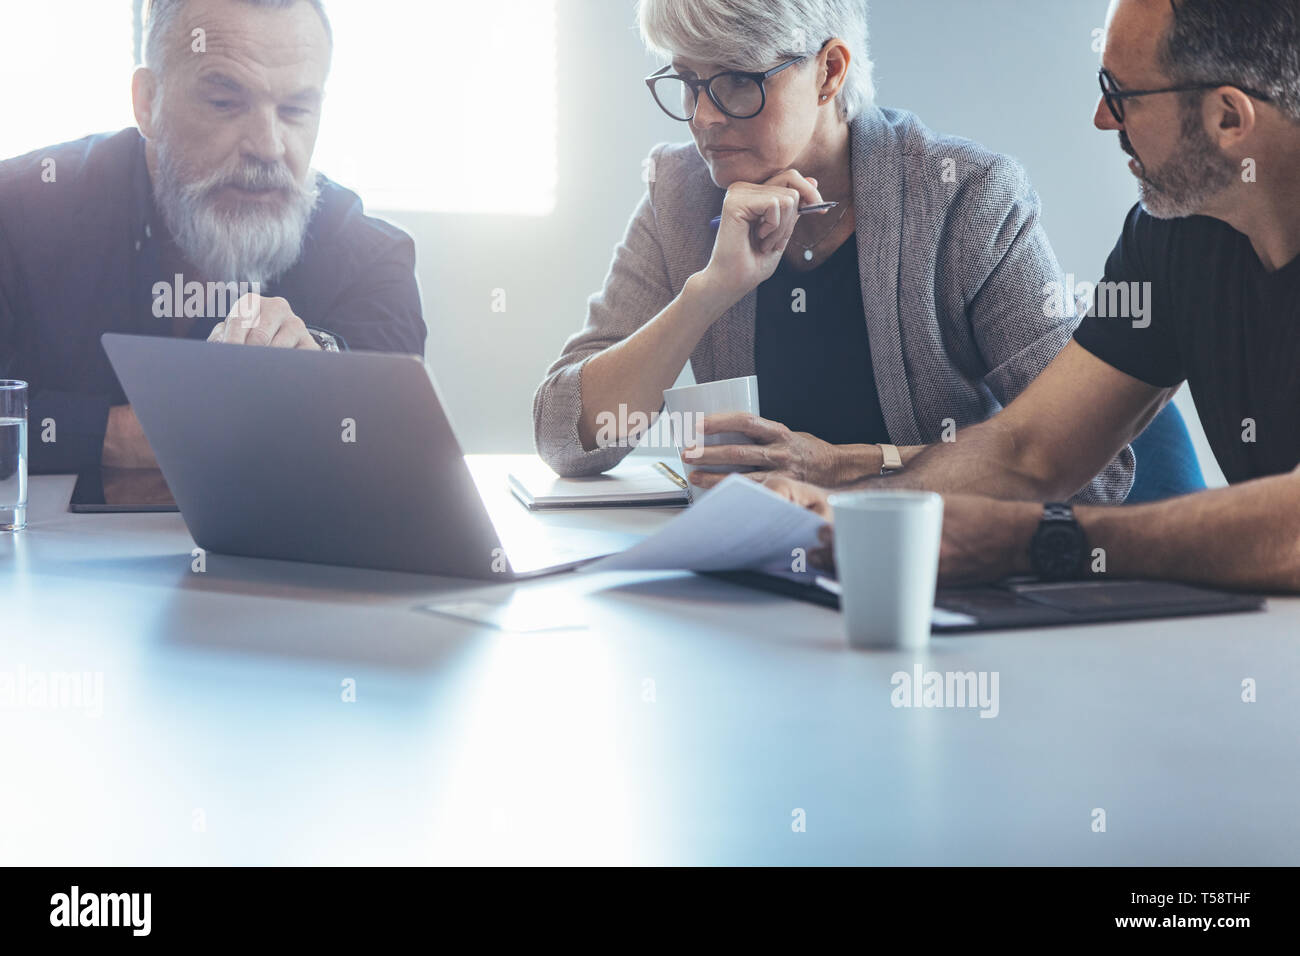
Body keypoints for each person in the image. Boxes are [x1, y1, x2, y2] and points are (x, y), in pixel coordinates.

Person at [757, 0, 1300, 593]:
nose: (1101, 118)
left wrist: (1033, 540)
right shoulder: (1176, 231)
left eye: (1121, 94)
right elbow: (1030, 449)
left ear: (1228, 117)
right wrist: (854, 515)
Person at [532, 0, 1137, 503]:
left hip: (921, 578)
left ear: (829, 71)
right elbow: (564, 438)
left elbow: (1093, 472)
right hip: (754, 584)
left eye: (737, 82)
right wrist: (707, 293)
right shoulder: (682, 193)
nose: (704, 118)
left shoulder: (965, 198)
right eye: (687, 83)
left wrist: (850, 467)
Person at [0, 0, 426, 474]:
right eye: (225, 103)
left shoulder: (368, 255)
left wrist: (320, 364)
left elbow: (398, 439)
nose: (268, 146)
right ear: (148, 101)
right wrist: (133, 436)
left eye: (295, 109)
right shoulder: (16, 216)